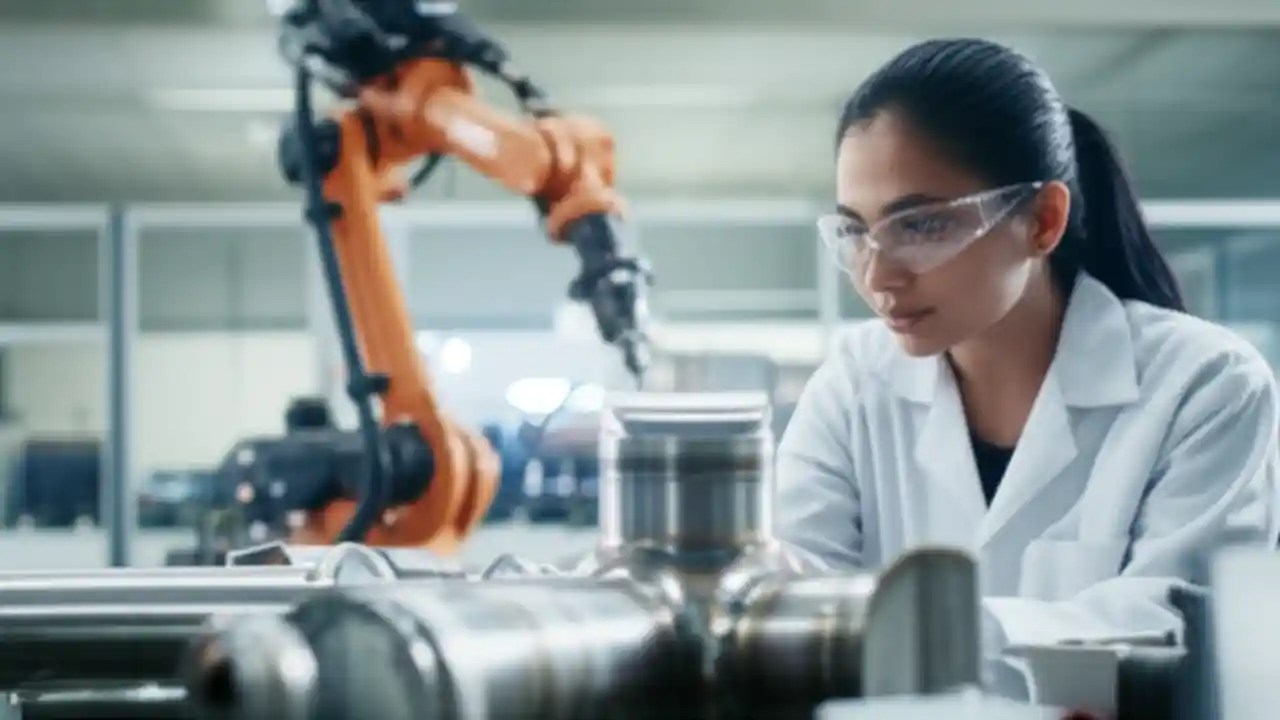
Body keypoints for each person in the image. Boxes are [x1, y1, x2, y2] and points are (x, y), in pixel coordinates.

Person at [775, 37, 1280, 684]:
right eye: (854, 231)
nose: (879, 277)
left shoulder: (1206, 385)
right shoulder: (853, 386)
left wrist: (922, 640)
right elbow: (791, 601)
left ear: (1043, 220)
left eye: (921, 226)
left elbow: (1171, 640)